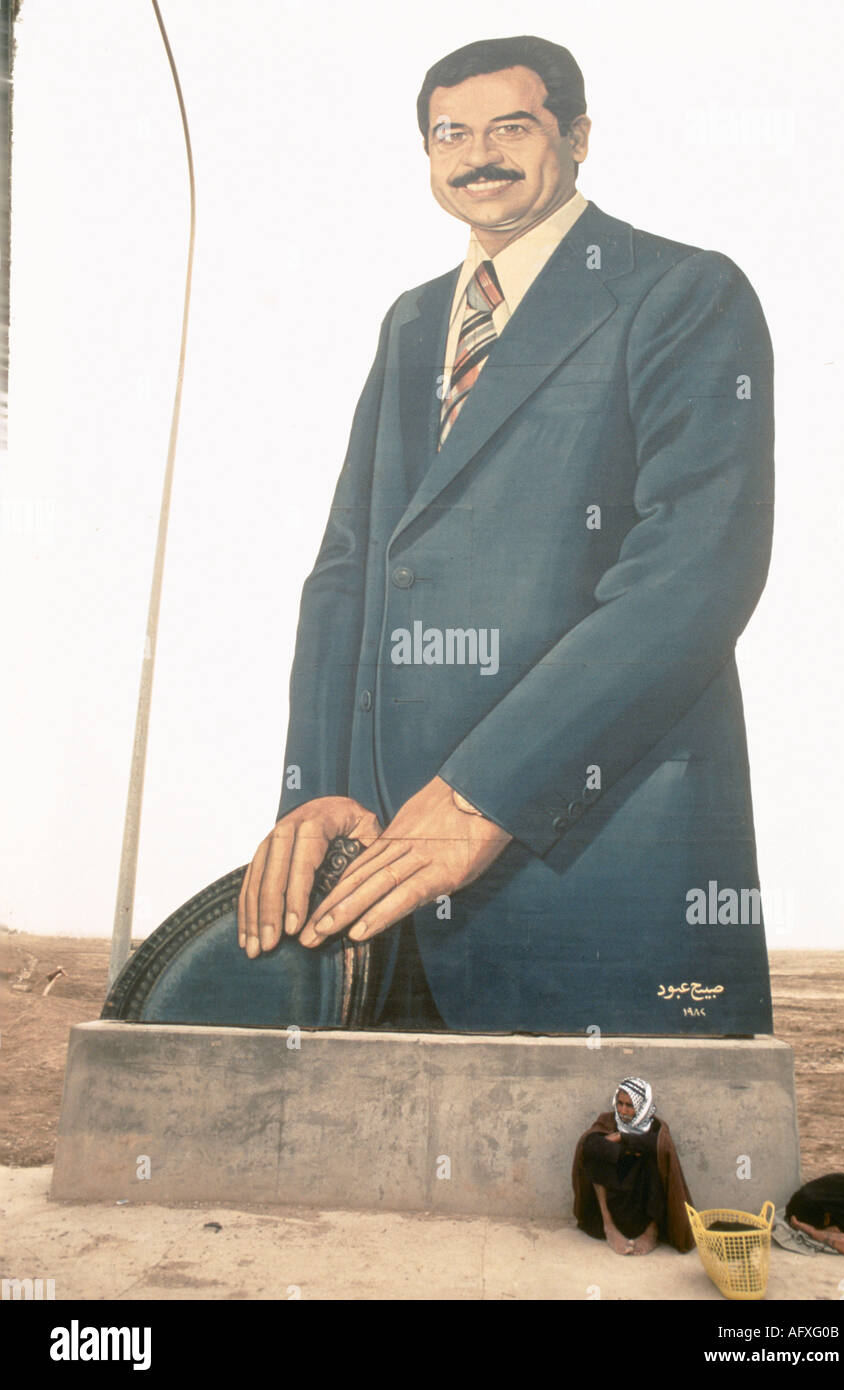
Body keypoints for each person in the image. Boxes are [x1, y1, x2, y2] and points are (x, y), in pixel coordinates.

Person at [236, 34, 775, 1035]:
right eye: (451, 133)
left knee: (617, 1178)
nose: (476, 152)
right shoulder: (412, 323)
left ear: (574, 137)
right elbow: (350, 570)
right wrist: (319, 792)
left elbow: (693, 577)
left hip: (593, 848)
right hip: (388, 867)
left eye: (510, 127)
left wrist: (483, 795)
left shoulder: (681, 293)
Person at [571, 1077, 695, 1253]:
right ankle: (609, 1227)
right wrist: (625, 1151)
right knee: (595, 1157)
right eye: (620, 1103)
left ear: (642, 1106)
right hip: (614, 1198)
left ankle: (651, 1231)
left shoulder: (656, 1127)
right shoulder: (608, 1121)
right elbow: (589, 1145)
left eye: (630, 1106)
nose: (623, 1110)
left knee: (654, 1157)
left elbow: (657, 1145)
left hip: (643, 1205)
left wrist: (623, 1138)